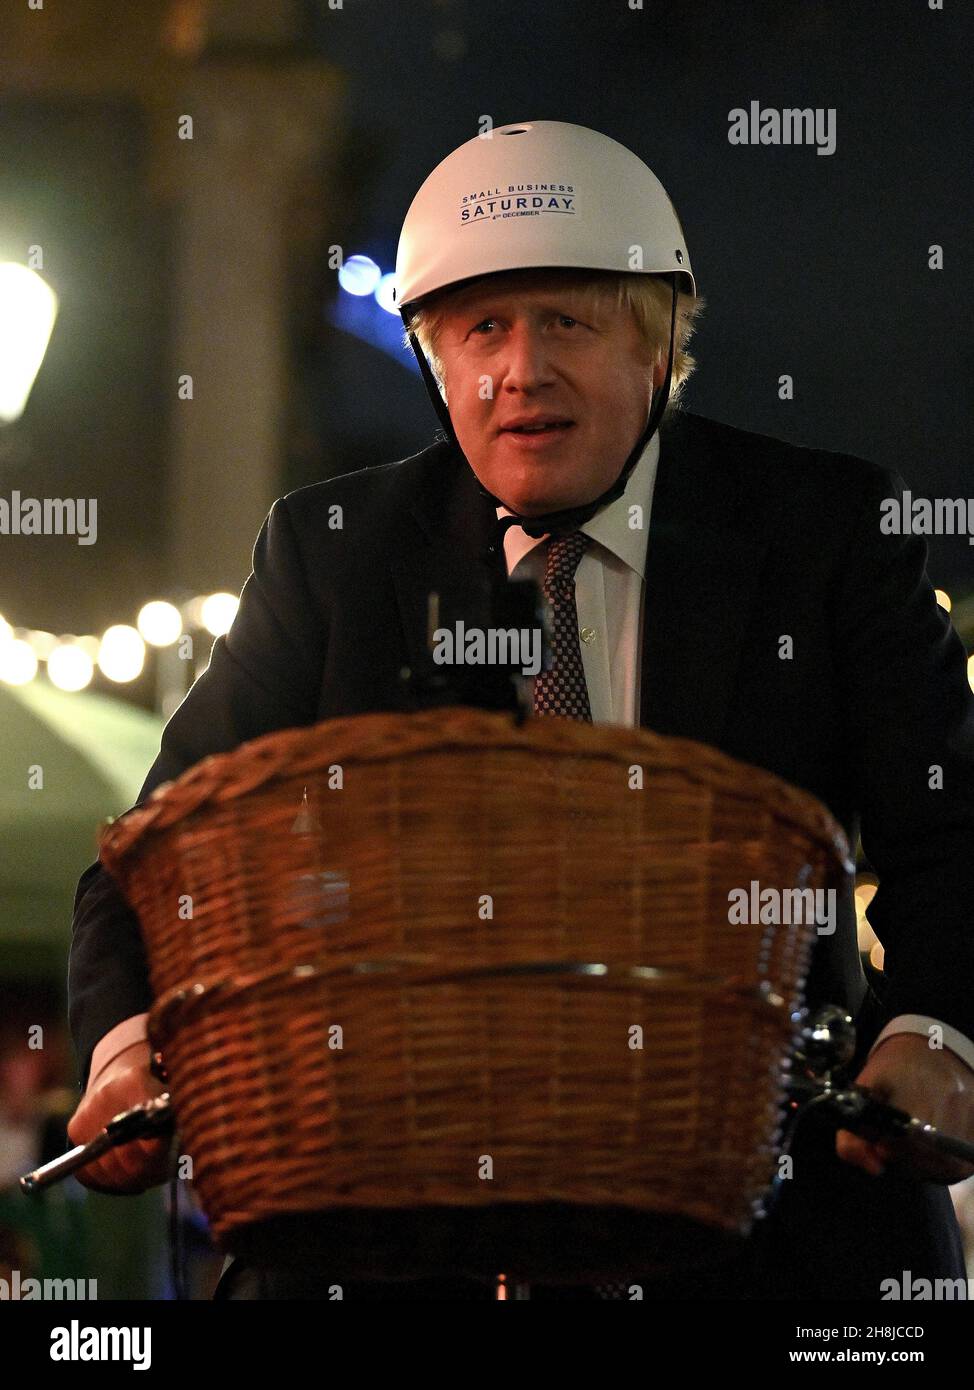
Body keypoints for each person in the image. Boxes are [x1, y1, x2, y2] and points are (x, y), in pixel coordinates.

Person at [66, 120, 974, 1300]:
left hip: (763, 1198)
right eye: (480, 328)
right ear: (433, 358)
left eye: (568, 320)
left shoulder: (828, 529)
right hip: (392, 1211)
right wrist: (127, 1051)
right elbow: (156, 850)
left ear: (656, 348)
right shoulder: (330, 551)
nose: (519, 371)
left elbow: (947, 828)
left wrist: (930, 1037)